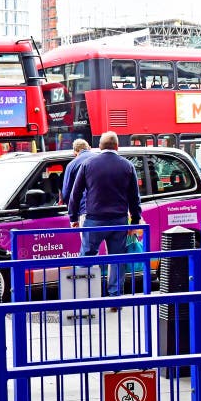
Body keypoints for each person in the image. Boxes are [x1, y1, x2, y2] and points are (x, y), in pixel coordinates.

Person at [68, 131, 141, 305]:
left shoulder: (87, 164)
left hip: (94, 220)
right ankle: (115, 297)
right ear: (117, 146)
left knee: (87, 256)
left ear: (99, 147)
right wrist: (136, 221)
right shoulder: (127, 166)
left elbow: (75, 193)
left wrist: (73, 217)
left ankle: (84, 297)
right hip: (119, 220)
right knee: (117, 258)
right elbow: (134, 197)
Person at [61, 139, 94, 221]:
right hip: (110, 211)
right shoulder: (101, 159)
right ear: (89, 148)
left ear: (75, 152)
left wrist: (73, 214)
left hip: (86, 211)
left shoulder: (72, 164)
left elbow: (66, 193)